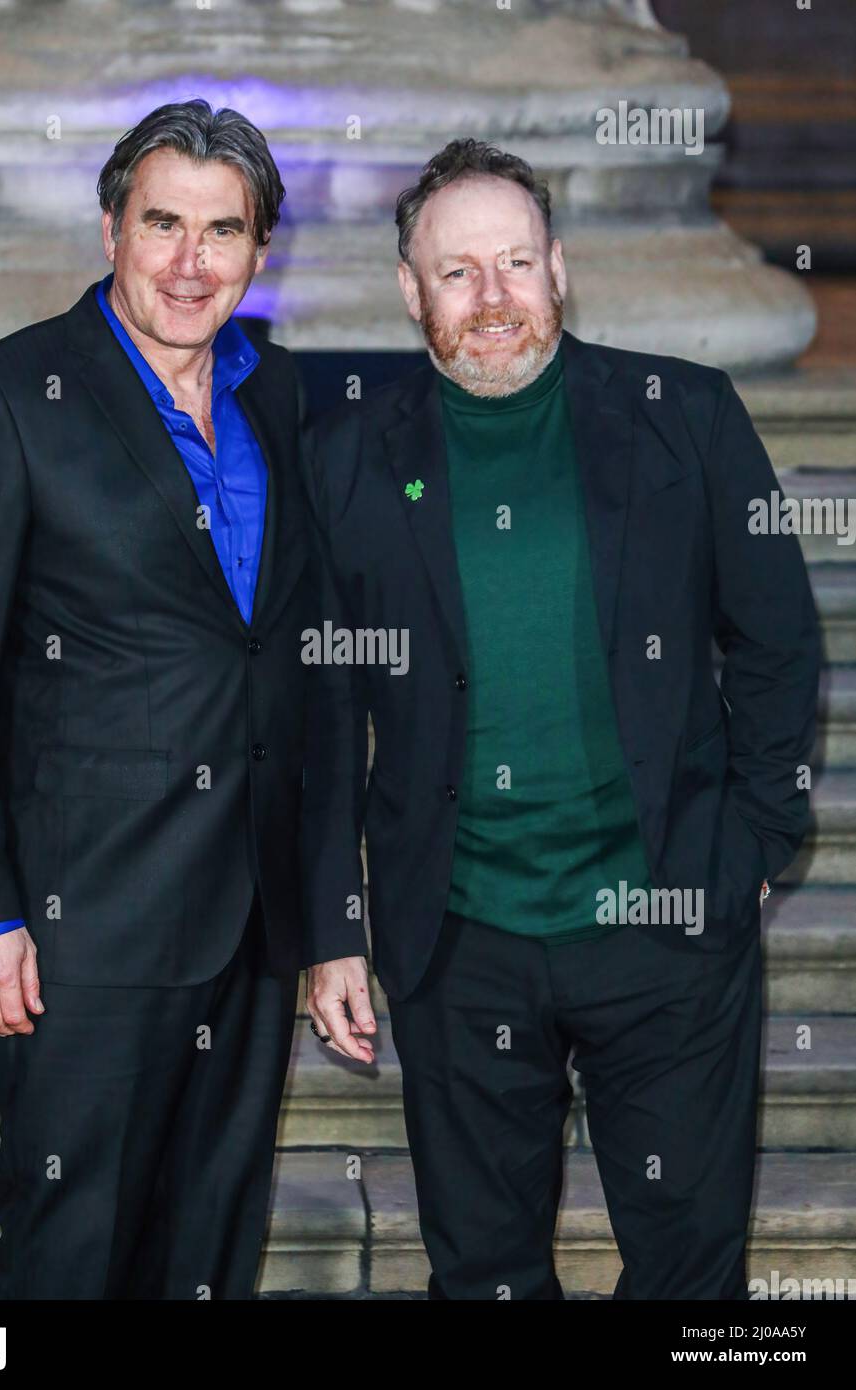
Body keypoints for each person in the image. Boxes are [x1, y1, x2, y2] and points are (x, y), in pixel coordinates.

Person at [301, 138, 821, 1299]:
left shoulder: (682, 415)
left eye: (515, 264)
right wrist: (333, 921)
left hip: (664, 923)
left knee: (690, 1278)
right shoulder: (343, 460)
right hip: (460, 938)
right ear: (408, 292)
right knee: (483, 1272)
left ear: (558, 270)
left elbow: (779, 647)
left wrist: (748, 848)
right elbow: (322, 710)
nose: (492, 299)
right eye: (456, 273)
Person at [0, 98, 311, 1299]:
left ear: (257, 250)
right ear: (113, 228)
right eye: (161, 223)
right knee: (72, 1250)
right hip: (83, 925)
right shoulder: (4, 400)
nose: (190, 262)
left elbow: (281, 661)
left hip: (246, 914)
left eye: (221, 231)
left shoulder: (277, 397)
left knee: (209, 1247)